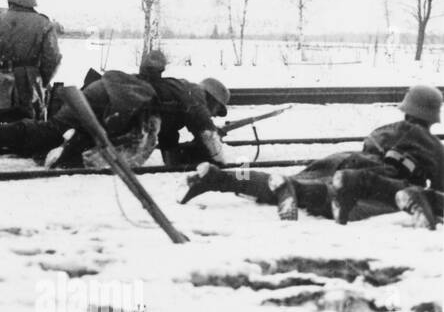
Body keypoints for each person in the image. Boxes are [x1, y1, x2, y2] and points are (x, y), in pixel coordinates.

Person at [182, 85, 444, 228]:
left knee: (284, 181)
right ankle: (292, 189)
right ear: (433, 116)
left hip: (342, 158)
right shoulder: (434, 147)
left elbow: (368, 148)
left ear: (406, 107)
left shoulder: (383, 129)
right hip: (372, 175)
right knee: (331, 198)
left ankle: (220, 179)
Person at [0, 65, 231, 170]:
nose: (213, 115)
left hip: (105, 92)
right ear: (210, 98)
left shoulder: (176, 93)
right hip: (114, 101)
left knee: (51, 130)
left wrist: (180, 163)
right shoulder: (193, 94)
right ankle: (70, 153)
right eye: (216, 110)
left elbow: (169, 145)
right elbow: (207, 134)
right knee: (122, 150)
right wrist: (222, 163)